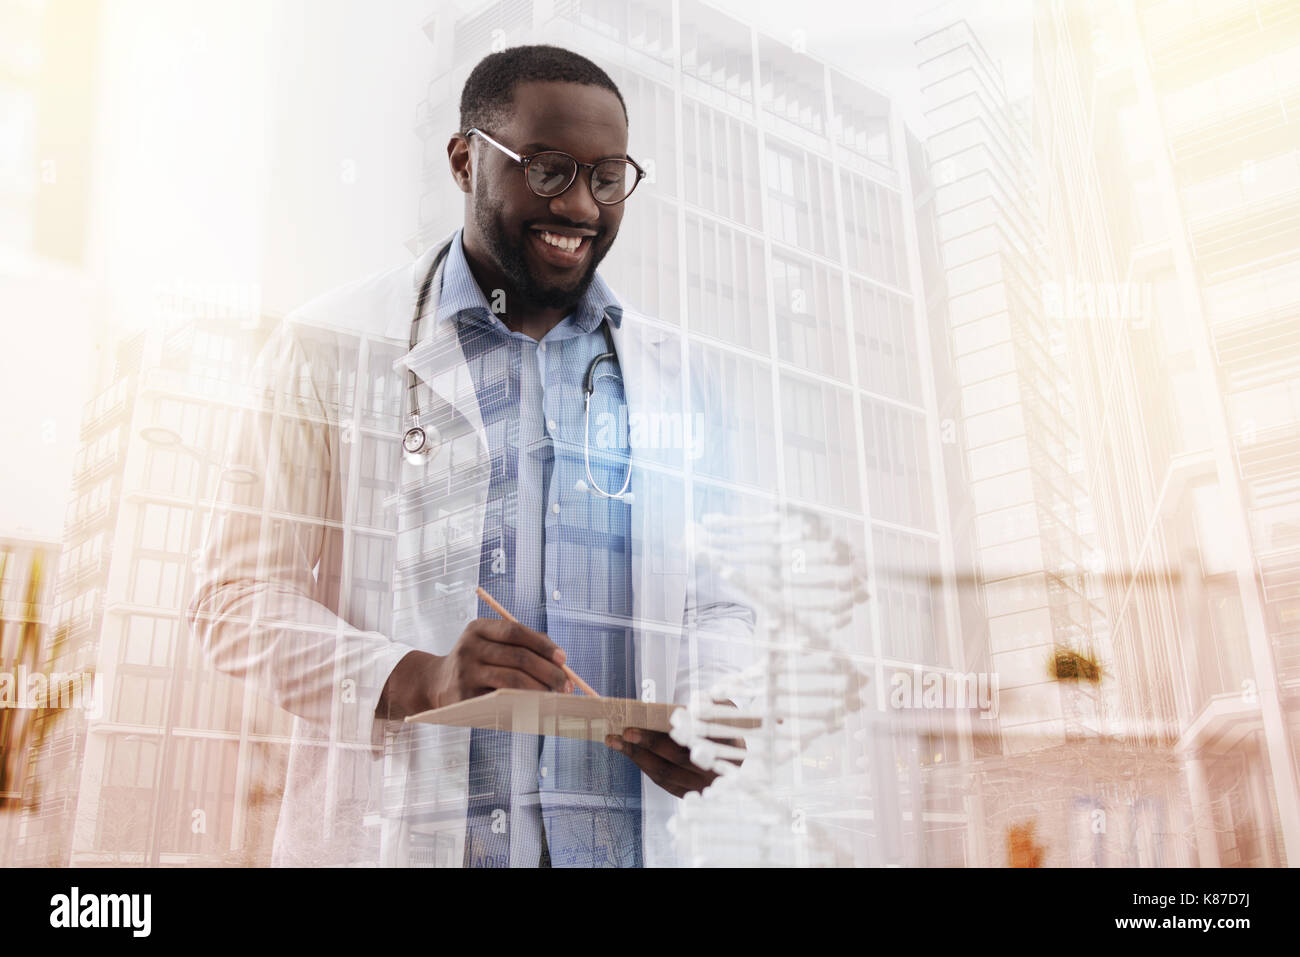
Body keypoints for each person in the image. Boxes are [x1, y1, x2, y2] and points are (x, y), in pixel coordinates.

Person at [188, 44, 753, 867]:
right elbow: (232, 597)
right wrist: (416, 678)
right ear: (464, 160)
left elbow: (718, 602)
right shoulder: (328, 346)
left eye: (607, 177)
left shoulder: (677, 377)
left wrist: (715, 699)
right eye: (550, 170)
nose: (584, 208)